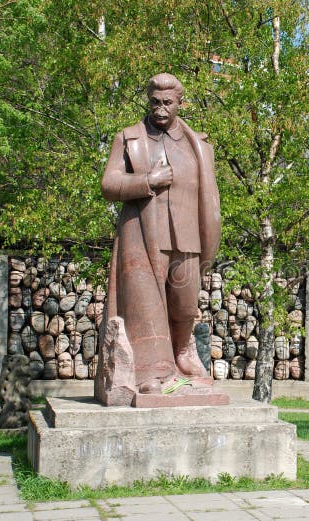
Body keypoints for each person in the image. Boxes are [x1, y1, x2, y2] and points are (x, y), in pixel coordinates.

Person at [101, 73, 220, 395]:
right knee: (147, 308)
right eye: (155, 102)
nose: (160, 108)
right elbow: (109, 184)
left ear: (180, 103)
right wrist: (147, 181)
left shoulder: (198, 144)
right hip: (144, 237)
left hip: (188, 237)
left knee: (185, 303)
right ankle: (150, 373)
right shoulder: (129, 138)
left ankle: (183, 352)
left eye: (168, 102)